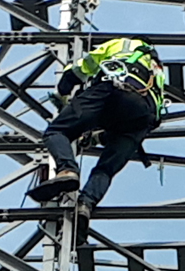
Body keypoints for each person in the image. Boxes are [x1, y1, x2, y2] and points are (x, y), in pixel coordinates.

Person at [27, 37, 166, 224]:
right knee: (106, 169)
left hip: (114, 89)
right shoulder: (157, 70)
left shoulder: (123, 44)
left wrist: (63, 91)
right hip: (143, 117)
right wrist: (97, 137)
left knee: (56, 132)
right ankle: (86, 204)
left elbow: (84, 66)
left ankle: (67, 170)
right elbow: (123, 122)